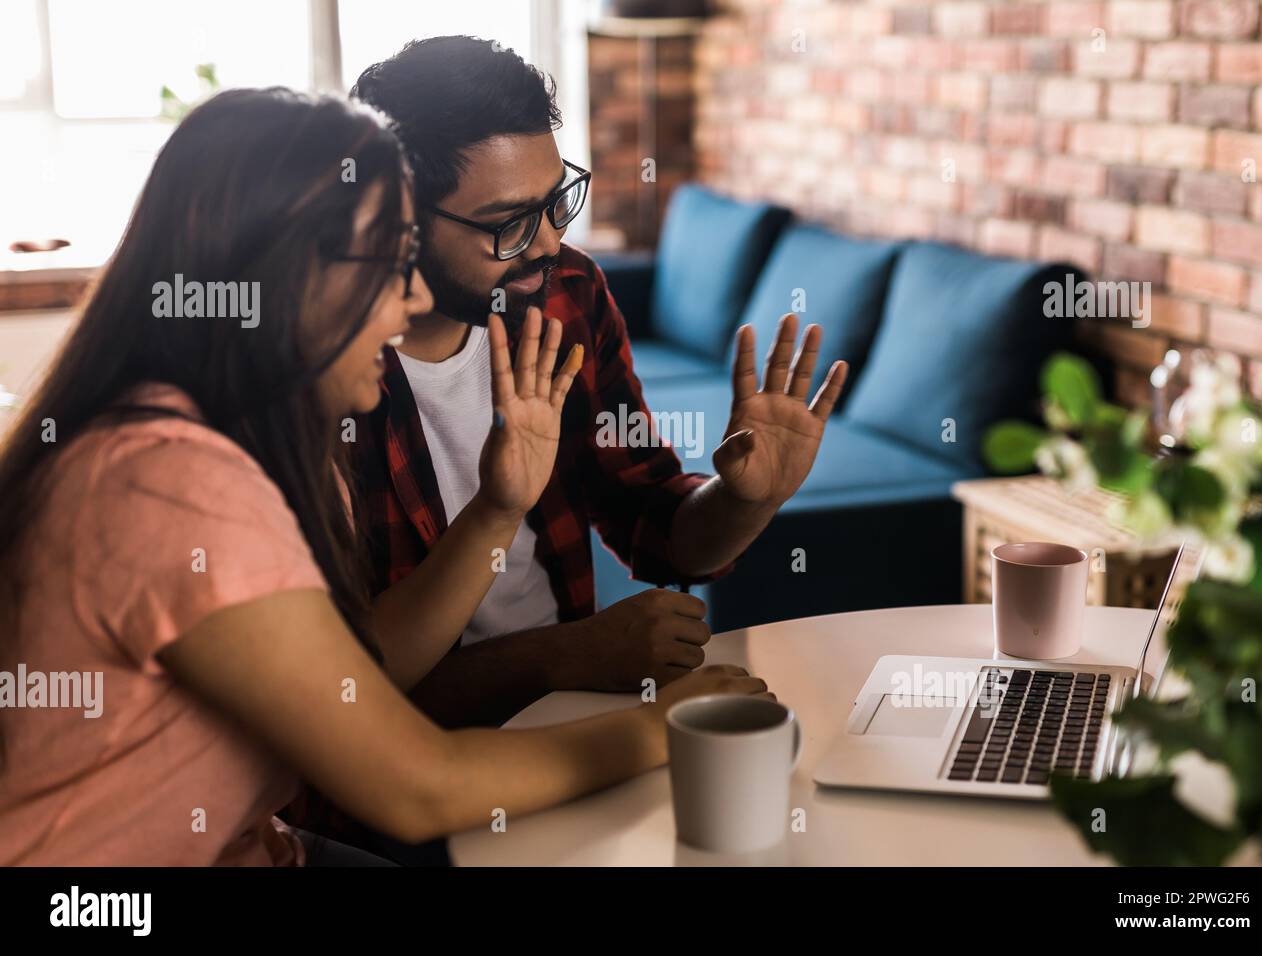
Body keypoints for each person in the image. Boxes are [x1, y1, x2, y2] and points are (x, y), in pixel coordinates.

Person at [0, 87, 768, 866]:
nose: (415, 299)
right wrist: (658, 724)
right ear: (286, 279)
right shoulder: (169, 482)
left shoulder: (232, 432)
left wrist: (502, 506)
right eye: (391, 265)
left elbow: (357, 671)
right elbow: (416, 786)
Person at [347, 35, 848, 730]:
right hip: (406, 770)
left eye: (556, 203)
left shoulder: (567, 294)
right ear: (396, 215)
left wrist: (745, 500)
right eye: (509, 224)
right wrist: (561, 655)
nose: (550, 243)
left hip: (569, 718)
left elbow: (652, 520)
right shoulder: (325, 370)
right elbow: (348, 692)